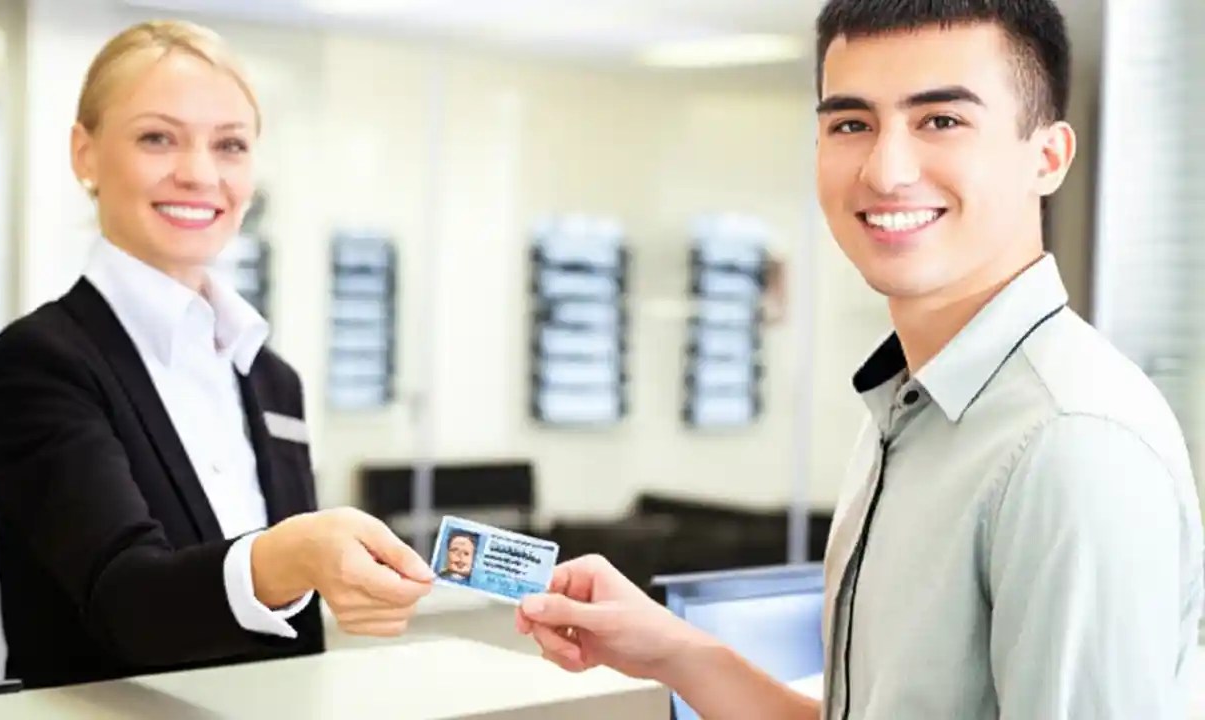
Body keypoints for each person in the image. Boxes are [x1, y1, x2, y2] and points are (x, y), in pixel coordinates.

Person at [515, 1, 1205, 718]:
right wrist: (672, 649)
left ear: (1048, 157)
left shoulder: (1067, 443)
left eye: (941, 120)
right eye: (851, 124)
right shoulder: (912, 409)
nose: (886, 169)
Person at [0, 20, 434, 689]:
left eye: (230, 145)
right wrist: (293, 556)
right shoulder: (43, 363)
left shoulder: (274, 381)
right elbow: (123, 605)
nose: (199, 174)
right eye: (157, 137)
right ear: (85, 153)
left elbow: (295, 639)